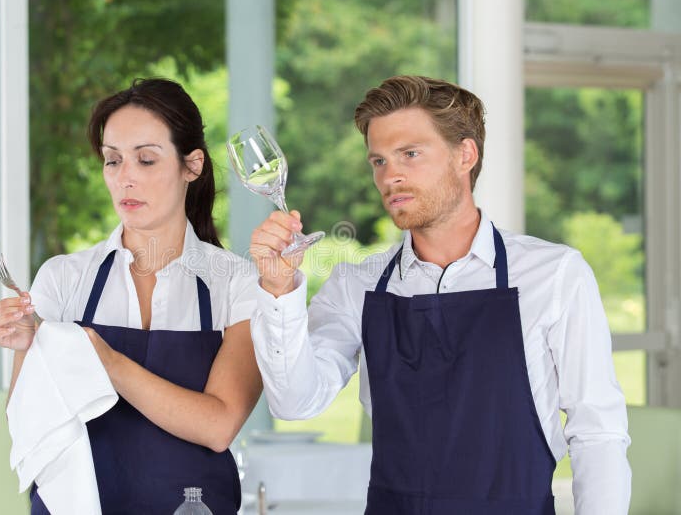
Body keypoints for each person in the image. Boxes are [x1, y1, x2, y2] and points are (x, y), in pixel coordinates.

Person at [248, 75, 631, 514]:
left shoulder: (554, 275)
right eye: (378, 161)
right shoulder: (358, 285)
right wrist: (278, 289)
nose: (391, 176)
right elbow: (295, 402)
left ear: (465, 155)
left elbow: (597, 432)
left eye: (410, 154)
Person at [0, 78, 262, 514]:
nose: (125, 178)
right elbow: (27, 423)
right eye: (113, 161)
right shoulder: (63, 279)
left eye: (146, 159)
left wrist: (106, 361)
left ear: (192, 165)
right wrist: (27, 348)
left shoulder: (236, 283)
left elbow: (219, 425)